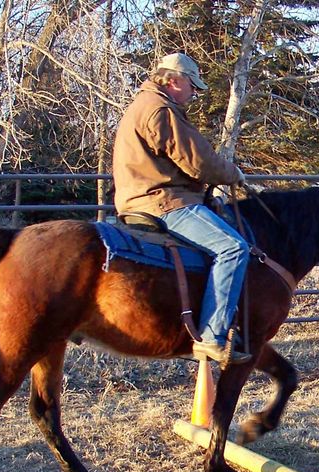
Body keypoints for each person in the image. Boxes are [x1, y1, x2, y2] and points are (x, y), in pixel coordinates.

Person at [112, 52, 251, 366]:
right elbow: (197, 160)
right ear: (174, 80)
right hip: (163, 202)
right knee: (233, 248)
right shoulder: (160, 109)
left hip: (139, 197)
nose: (194, 93)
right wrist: (232, 173)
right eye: (192, 85)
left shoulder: (141, 105)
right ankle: (212, 337)